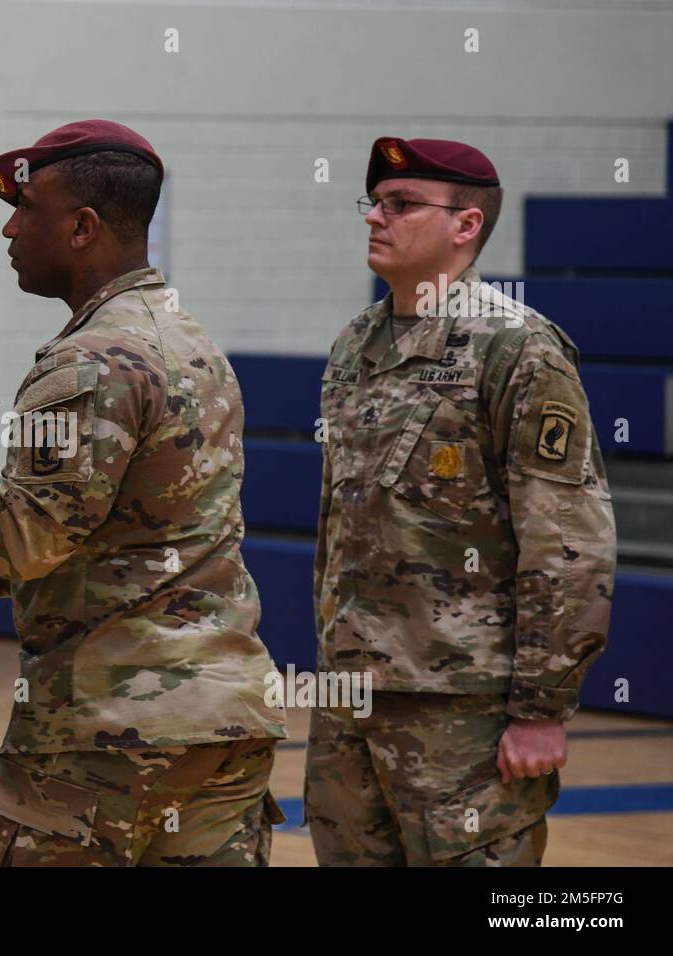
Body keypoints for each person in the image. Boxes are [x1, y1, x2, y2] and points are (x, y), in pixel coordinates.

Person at [0, 120, 287, 867]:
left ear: (81, 227)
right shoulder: (192, 341)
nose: (9, 227)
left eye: (26, 208)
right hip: (220, 724)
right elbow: (115, 531)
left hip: (111, 735)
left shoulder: (88, 361)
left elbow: (28, 535)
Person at [304, 136, 617, 866]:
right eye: (375, 203)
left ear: (466, 225)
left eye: (402, 205)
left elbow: (568, 540)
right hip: (351, 697)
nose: (377, 218)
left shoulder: (517, 347)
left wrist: (542, 710)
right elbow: (339, 525)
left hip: (463, 712)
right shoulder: (356, 344)